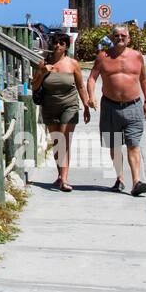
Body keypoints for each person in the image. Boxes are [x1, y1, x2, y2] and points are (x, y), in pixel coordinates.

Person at [86, 24, 146, 195]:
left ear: (128, 38)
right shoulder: (103, 57)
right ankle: (120, 178)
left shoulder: (137, 56)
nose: (120, 38)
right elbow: (92, 78)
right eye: (116, 36)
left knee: (133, 144)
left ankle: (136, 182)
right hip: (110, 107)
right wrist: (91, 96)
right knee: (114, 145)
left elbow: (144, 79)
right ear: (111, 38)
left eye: (123, 36)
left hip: (133, 106)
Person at [32, 31, 91, 191]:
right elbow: (34, 85)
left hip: (69, 106)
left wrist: (86, 106)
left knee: (64, 140)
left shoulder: (73, 64)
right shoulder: (43, 63)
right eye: (55, 42)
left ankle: (64, 180)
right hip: (50, 106)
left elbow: (80, 86)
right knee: (57, 142)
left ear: (66, 47)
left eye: (61, 43)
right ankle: (60, 175)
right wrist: (42, 73)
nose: (57, 45)